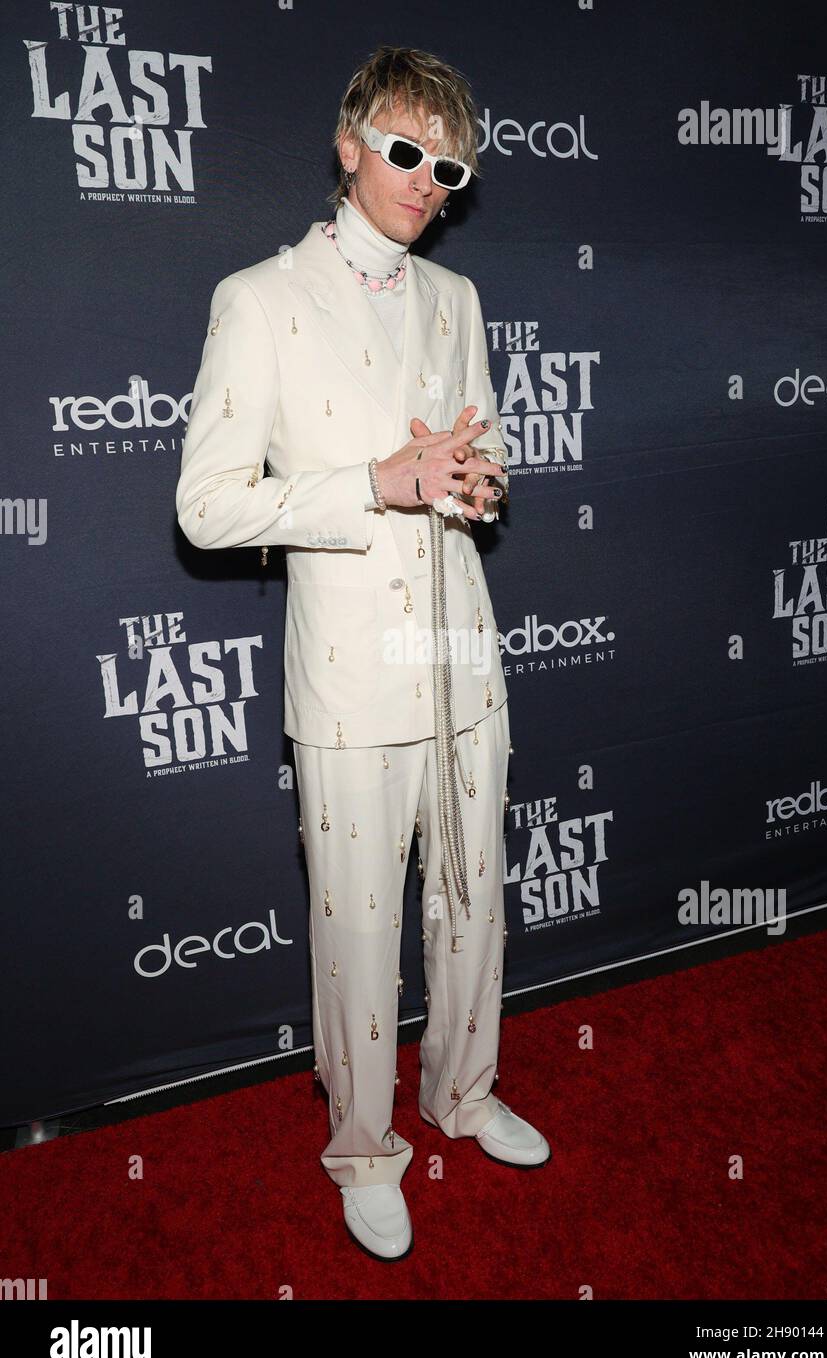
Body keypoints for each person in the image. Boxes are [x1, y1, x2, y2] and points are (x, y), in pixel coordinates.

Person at [175, 44, 550, 1262]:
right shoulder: (261, 298)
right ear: (348, 146)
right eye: (402, 151)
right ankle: (362, 1146)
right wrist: (373, 485)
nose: (424, 180)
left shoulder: (459, 302)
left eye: (447, 165)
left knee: (474, 901)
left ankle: (463, 1092)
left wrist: (472, 481)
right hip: (348, 669)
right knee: (352, 929)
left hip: (458, 647)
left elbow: (470, 454)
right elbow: (210, 507)